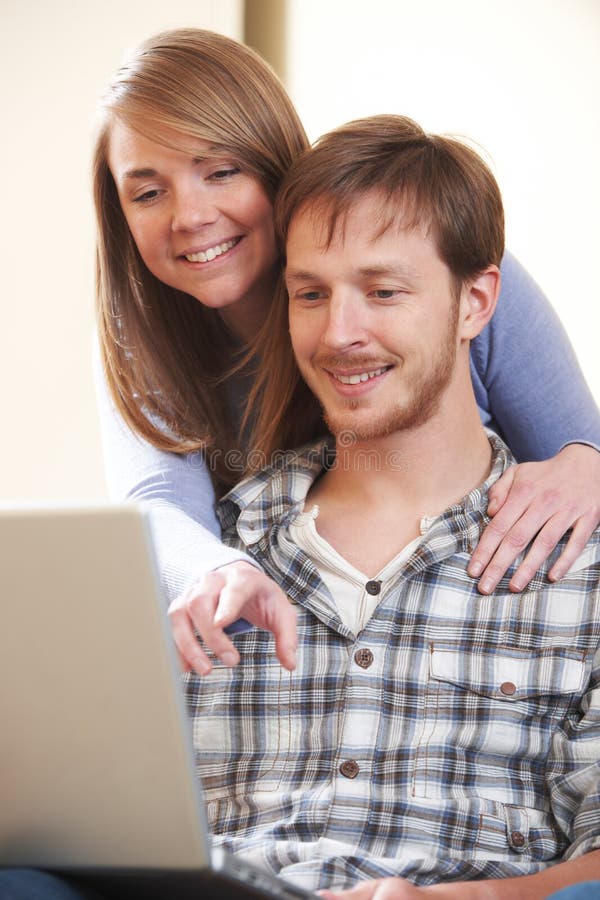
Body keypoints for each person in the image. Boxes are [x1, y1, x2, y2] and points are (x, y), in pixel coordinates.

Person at [92, 28, 600, 677]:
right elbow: (159, 510)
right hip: (294, 639)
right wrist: (219, 572)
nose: (189, 214)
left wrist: (587, 462)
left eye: (221, 171)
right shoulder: (142, 335)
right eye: (147, 191)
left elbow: (576, 455)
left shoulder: (452, 275)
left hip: (471, 605)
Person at [181, 114, 600, 896]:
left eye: (382, 291)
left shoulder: (580, 567)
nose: (340, 334)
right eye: (311, 294)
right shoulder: (221, 555)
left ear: (475, 303)